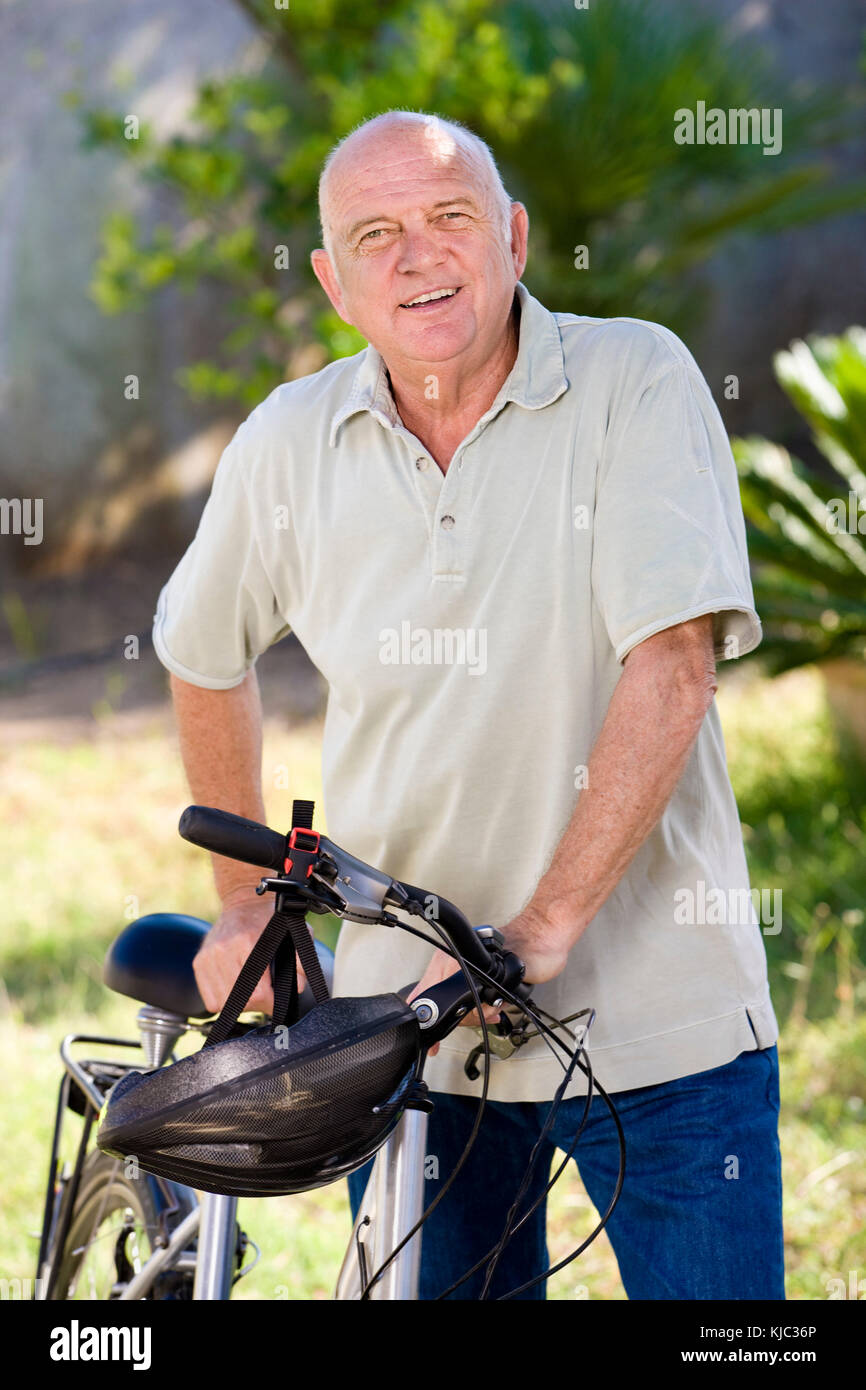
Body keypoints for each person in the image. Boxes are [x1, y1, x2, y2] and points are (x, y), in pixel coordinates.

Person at [152, 109, 785, 1301]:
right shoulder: (290, 440)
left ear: (514, 237)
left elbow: (674, 660)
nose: (416, 254)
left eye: (448, 217)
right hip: (408, 1032)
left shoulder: (630, 378)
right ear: (336, 285)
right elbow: (199, 647)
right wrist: (241, 908)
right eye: (374, 233)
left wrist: (541, 927)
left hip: (661, 1022)